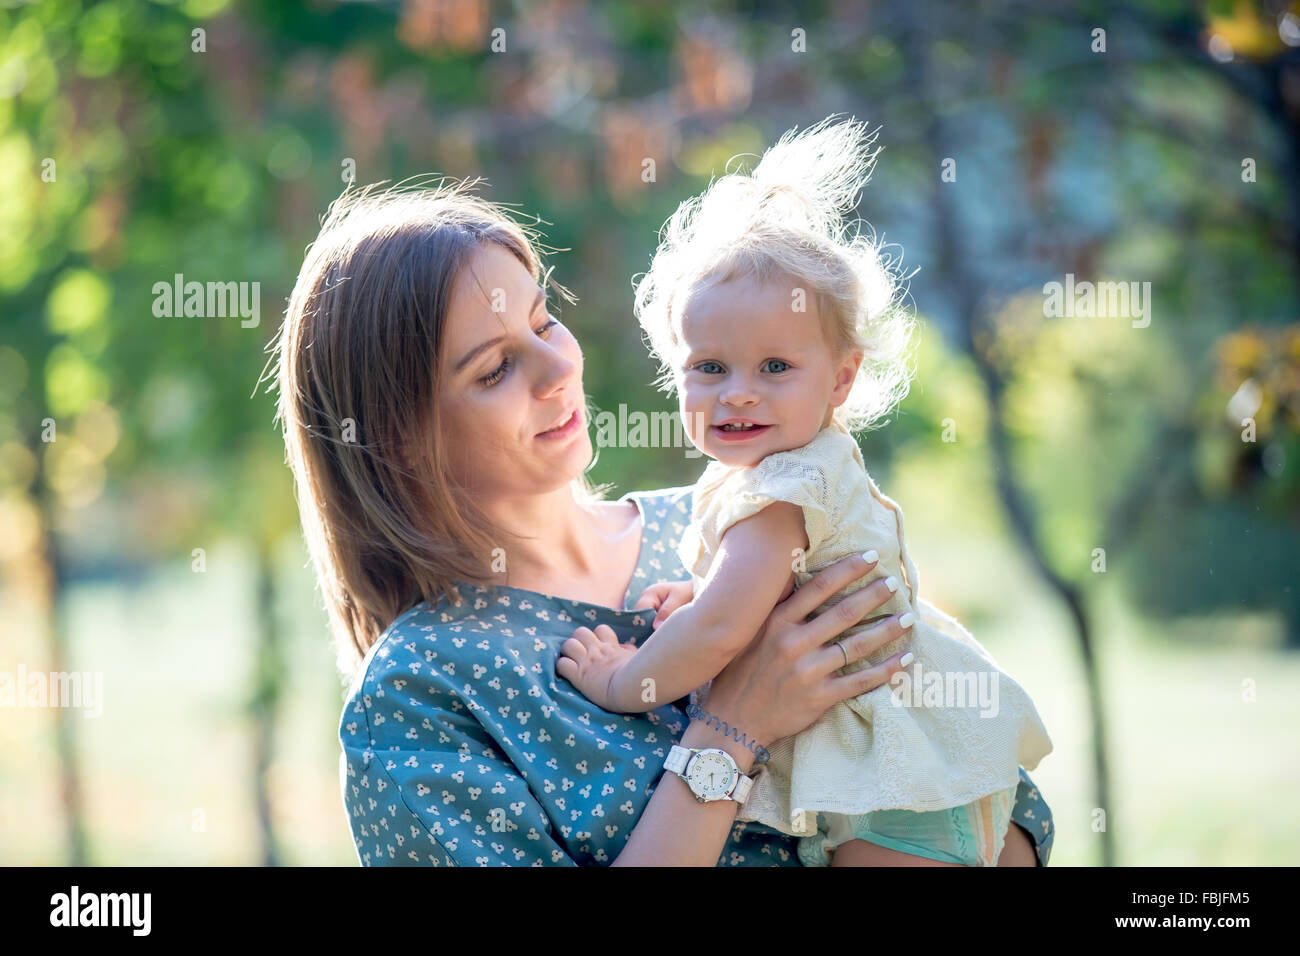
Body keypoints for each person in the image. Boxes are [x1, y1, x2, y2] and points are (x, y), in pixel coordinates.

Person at [272, 174, 1055, 866]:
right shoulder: (420, 697)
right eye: (496, 368)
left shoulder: (738, 523)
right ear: (400, 437)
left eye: (545, 324)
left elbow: (976, 781)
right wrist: (732, 728)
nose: (559, 368)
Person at [558, 117, 1052, 867]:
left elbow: (726, 632)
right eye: (710, 368)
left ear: (841, 378)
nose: (739, 396)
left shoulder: (785, 489)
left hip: (895, 796)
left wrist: (623, 679)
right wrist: (700, 598)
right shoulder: (783, 474)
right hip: (910, 773)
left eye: (775, 369)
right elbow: (763, 600)